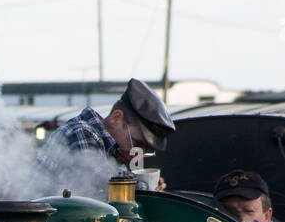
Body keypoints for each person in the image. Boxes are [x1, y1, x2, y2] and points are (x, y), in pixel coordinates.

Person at [23, 78, 175, 198]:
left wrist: (150, 189)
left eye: (145, 151)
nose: (136, 155)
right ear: (116, 118)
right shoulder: (82, 132)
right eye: (136, 143)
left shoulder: (113, 154)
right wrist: (142, 188)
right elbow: (95, 187)